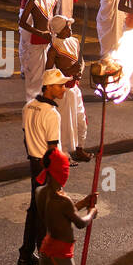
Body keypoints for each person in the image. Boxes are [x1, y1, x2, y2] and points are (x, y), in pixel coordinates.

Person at [20, 68, 68, 265]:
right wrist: (58, 176)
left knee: (34, 210)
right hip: (46, 167)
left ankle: (25, 255)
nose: (64, 89)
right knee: (45, 215)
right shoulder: (52, 114)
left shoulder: (29, 106)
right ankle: (45, 262)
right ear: (48, 87)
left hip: (33, 162)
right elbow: (52, 149)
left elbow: (25, 135)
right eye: (60, 85)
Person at [47, 14, 91, 160]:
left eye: (69, 26)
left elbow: (81, 60)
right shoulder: (53, 48)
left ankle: (80, 148)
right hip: (63, 91)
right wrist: (68, 72)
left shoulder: (75, 41)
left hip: (75, 88)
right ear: (58, 30)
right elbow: (49, 73)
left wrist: (80, 71)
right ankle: (64, 154)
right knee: (65, 124)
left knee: (81, 120)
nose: (69, 29)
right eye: (66, 27)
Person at [19, 0, 57, 102]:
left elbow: (54, 20)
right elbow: (22, 22)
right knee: (35, 76)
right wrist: (39, 33)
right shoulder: (33, 0)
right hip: (36, 42)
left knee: (47, 74)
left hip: (48, 42)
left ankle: (44, 100)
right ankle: (32, 101)